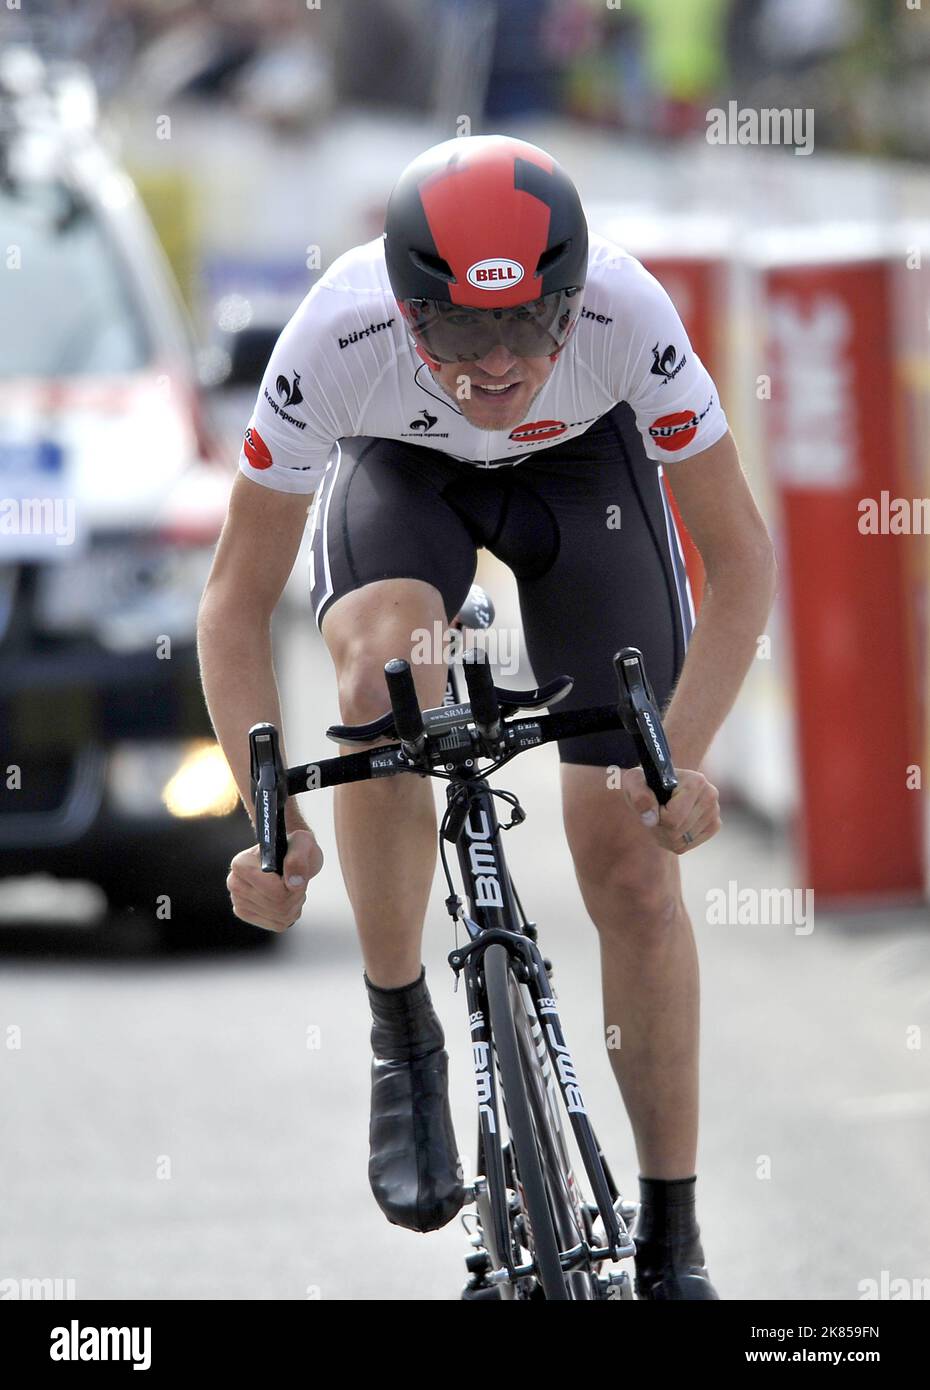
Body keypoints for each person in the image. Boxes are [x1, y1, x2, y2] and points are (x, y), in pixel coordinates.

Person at [197, 134, 776, 1300]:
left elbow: (743, 561)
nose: (501, 362)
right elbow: (232, 600)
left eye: (531, 325)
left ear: (573, 300)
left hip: (584, 481)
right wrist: (267, 820)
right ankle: (400, 1022)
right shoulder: (337, 330)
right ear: (407, 305)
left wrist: (683, 762)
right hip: (405, 477)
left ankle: (674, 1236)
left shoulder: (624, 310)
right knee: (380, 682)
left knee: (630, 860)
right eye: (462, 328)